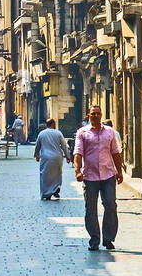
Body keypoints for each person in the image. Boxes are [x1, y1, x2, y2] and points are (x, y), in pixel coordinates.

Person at [74, 102, 123, 252]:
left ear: (101, 115)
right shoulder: (82, 133)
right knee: (91, 209)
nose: (95, 115)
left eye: (98, 113)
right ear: (88, 115)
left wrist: (119, 171)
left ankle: (108, 239)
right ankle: (94, 239)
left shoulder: (109, 132)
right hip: (90, 176)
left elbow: (115, 153)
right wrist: (77, 170)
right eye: (93, 113)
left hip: (108, 174)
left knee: (110, 204)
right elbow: (78, 153)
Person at [34, 118, 71, 200]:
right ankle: (55, 188)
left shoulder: (42, 134)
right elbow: (64, 146)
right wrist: (68, 156)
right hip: (57, 157)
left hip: (46, 157)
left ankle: (46, 192)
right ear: (53, 124)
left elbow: (37, 146)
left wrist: (37, 155)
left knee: (45, 174)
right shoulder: (58, 133)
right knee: (57, 174)